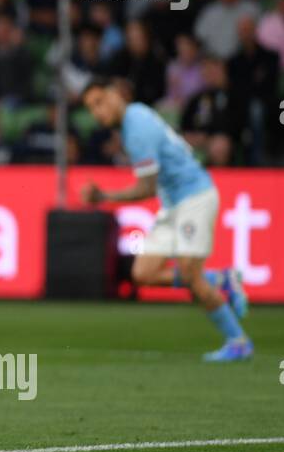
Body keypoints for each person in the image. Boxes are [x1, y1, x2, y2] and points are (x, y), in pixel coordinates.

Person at [79, 77, 250, 362]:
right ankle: (222, 279)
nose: (97, 112)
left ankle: (238, 340)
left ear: (114, 94)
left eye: (99, 101)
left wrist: (103, 197)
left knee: (192, 279)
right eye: (90, 108)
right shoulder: (134, 116)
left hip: (194, 198)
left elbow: (145, 188)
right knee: (143, 273)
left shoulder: (136, 129)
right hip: (173, 204)